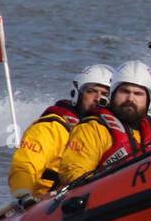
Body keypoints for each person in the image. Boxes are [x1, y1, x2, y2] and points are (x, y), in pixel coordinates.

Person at [8, 64, 112, 205]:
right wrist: (24, 194)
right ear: (77, 94)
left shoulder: (106, 133)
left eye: (105, 94)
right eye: (91, 91)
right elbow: (25, 165)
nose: (98, 99)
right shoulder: (51, 128)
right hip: (48, 204)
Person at [57, 60, 151, 184]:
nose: (130, 99)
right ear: (112, 95)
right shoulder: (92, 129)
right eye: (124, 91)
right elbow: (73, 171)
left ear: (149, 100)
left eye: (138, 94)